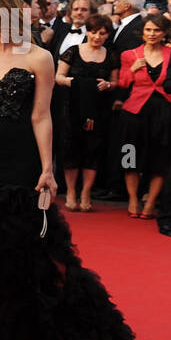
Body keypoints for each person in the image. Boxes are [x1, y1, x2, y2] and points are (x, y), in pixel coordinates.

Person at [0, 0, 134, 340]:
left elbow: (41, 116)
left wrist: (47, 169)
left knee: (11, 248)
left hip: (19, 160)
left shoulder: (39, 57)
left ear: (0, 13)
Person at [55, 14, 117, 212]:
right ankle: (71, 191)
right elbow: (58, 77)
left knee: (93, 151)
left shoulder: (111, 55)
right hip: (72, 109)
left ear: (107, 35)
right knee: (71, 149)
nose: (97, 37)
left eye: (102, 33)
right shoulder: (73, 51)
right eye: (93, 32)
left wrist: (108, 84)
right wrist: (73, 83)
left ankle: (86, 192)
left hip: (99, 111)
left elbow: (115, 82)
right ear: (86, 32)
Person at [116, 13, 171, 218]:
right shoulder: (129, 54)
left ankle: (150, 203)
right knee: (129, 155)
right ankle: (133, 200)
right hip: (134, 111)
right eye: (148, 29)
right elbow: (122, 84)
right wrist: (132, 70)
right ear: (142, 32)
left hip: (164, 112)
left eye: (157, 30)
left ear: (165, 32)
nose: (152, 34)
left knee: (161, 158)